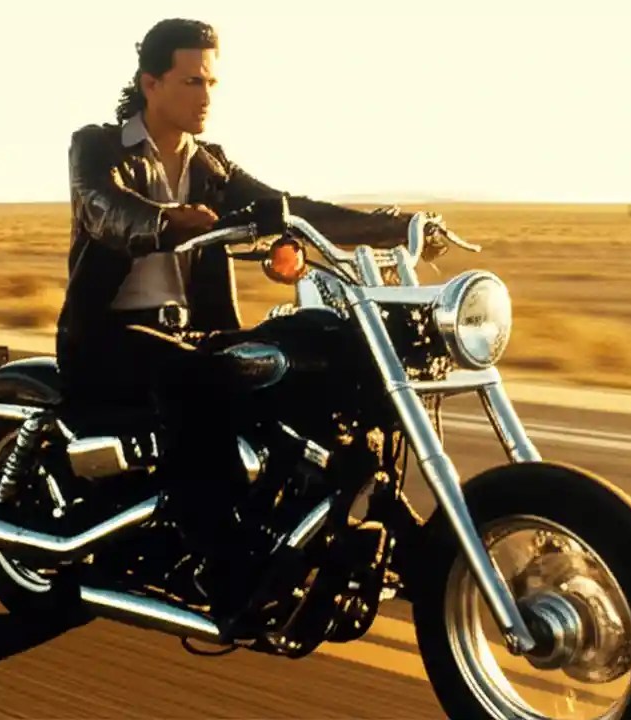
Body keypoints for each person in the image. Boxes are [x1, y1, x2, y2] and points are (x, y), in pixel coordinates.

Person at [54, 18, 420, 612]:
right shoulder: (99, 146)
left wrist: (391, 227)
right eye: (192, 81)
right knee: (198, 377)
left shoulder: (210, 165)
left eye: (212, 83)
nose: (206, 96)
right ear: (150, 83)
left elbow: (288, 209)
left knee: (311, 356)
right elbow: (103, 208)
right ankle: (219, 559)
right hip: (107, 336)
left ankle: (303, 524)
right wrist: (167, 221)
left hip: (192, 331)